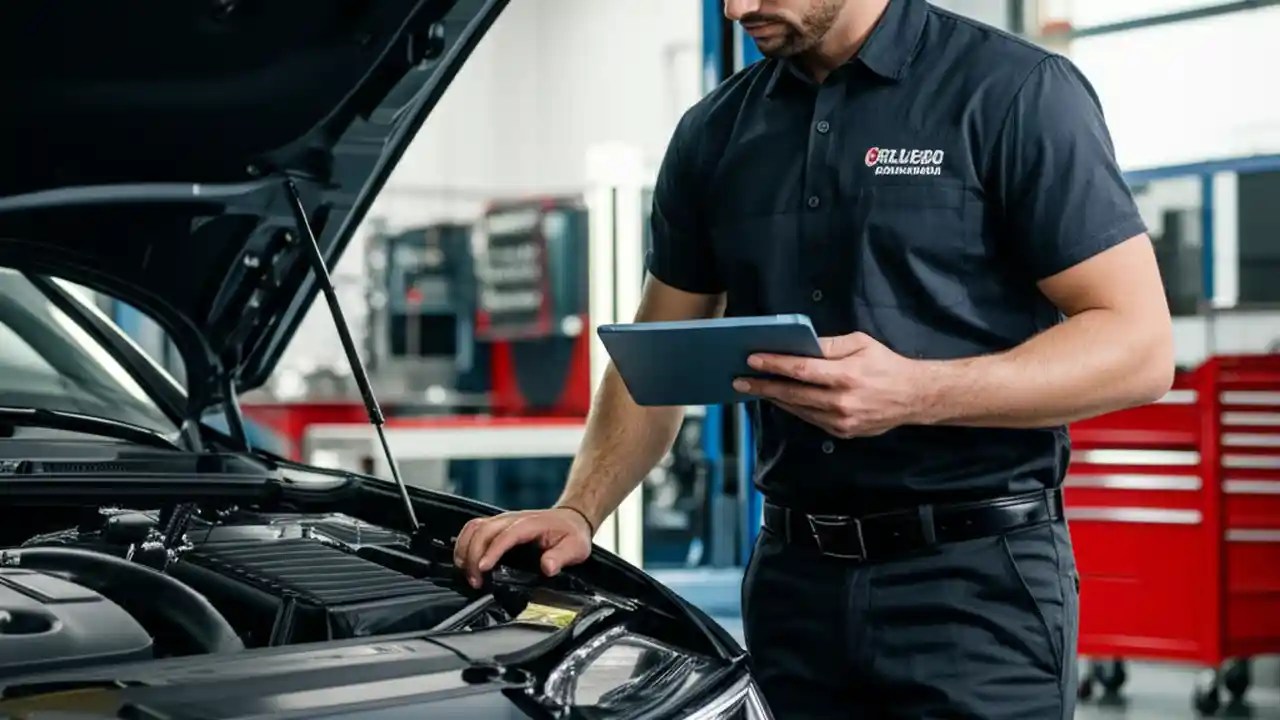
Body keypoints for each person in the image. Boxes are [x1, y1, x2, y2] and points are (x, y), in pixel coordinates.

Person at [454, 0, 1174, 716]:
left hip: (973, 588)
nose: (738, 7)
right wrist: (579, 509)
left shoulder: (1013, 92)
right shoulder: (714, 134)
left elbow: (1138, 347)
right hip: (792, 590)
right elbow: (654, 364)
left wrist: (917, 392)